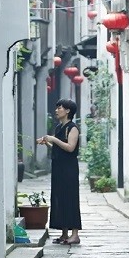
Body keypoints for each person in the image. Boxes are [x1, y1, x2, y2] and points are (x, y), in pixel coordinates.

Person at [37, 98, 82, 245]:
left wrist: (53, 140)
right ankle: (64, 234)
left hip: (69, 169)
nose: (56, 110)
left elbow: (70, 147)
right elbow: (58, 149)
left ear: (68, 110)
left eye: (60, 108)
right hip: (59, 168)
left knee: (70, 199)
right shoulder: (58, 128)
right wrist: (48, 143)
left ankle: (74, 234)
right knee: (60, 198)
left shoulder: (73, 128)